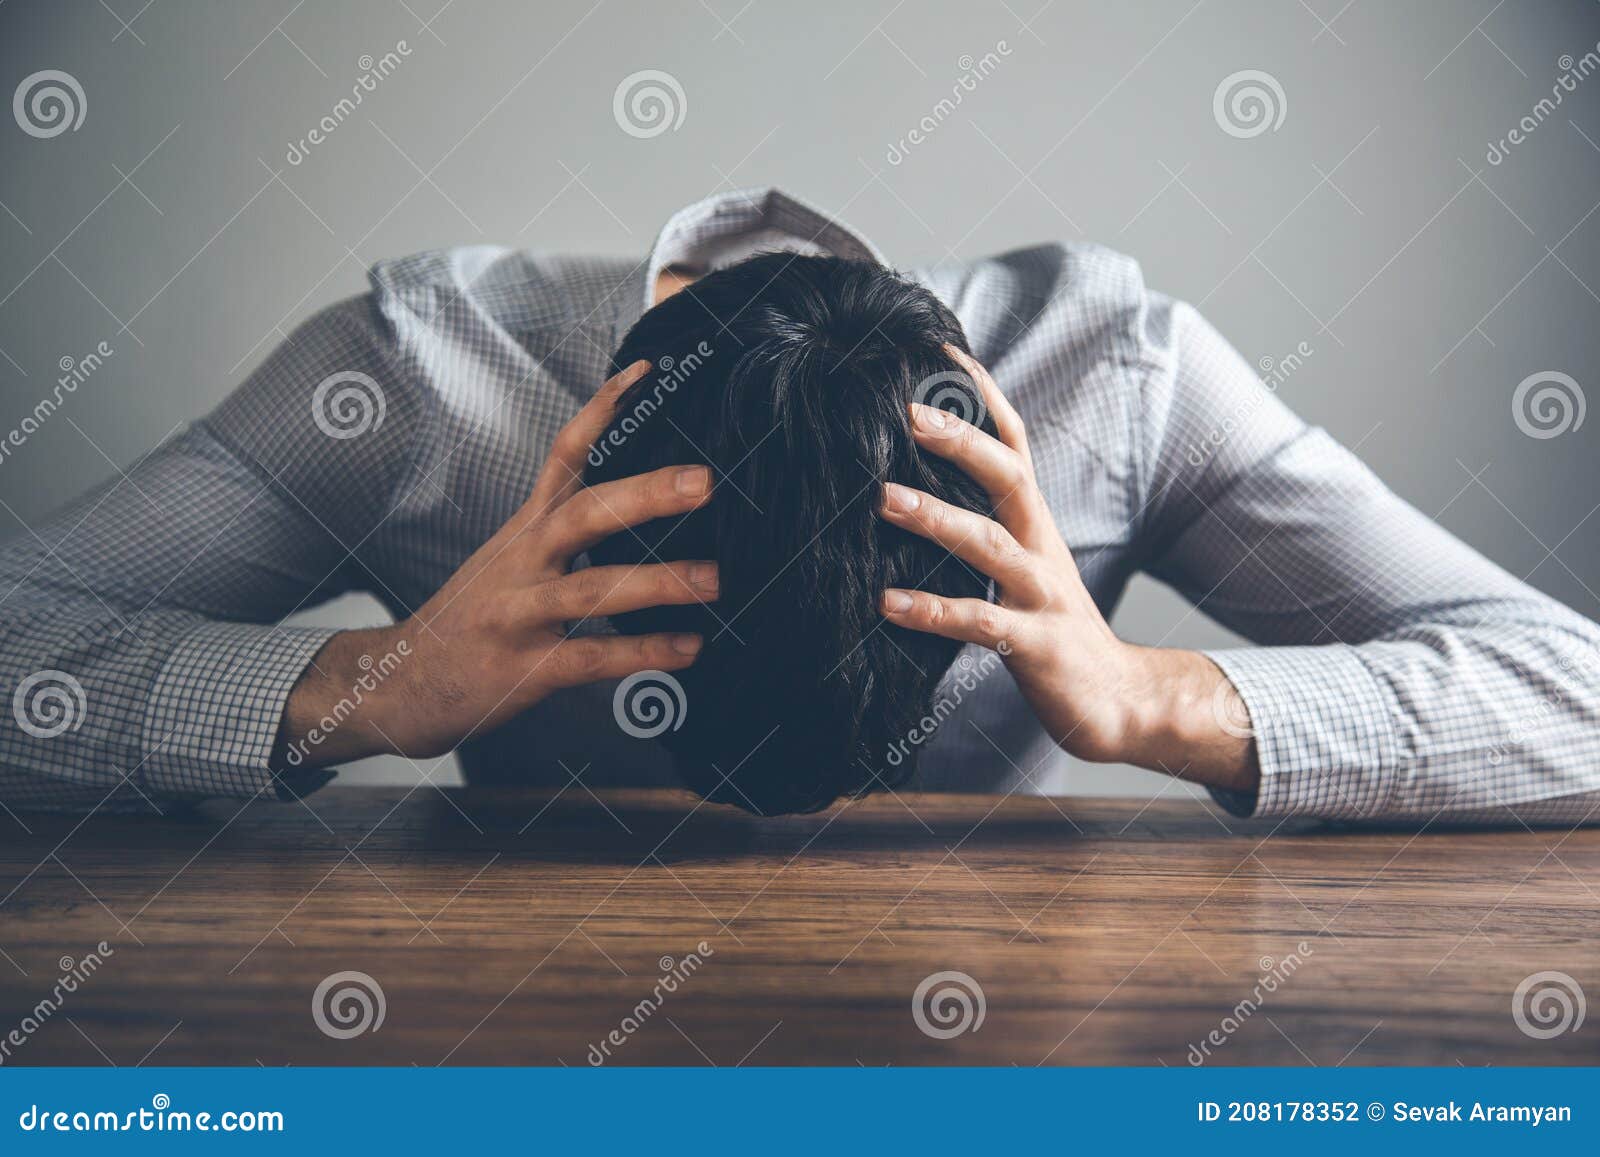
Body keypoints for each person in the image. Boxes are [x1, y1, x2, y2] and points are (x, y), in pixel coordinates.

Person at [1, 188, 1595, 823]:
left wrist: (1154, 694)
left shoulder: (1121, 377)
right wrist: (368, 684)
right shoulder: (418, 379)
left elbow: (1575, 693)